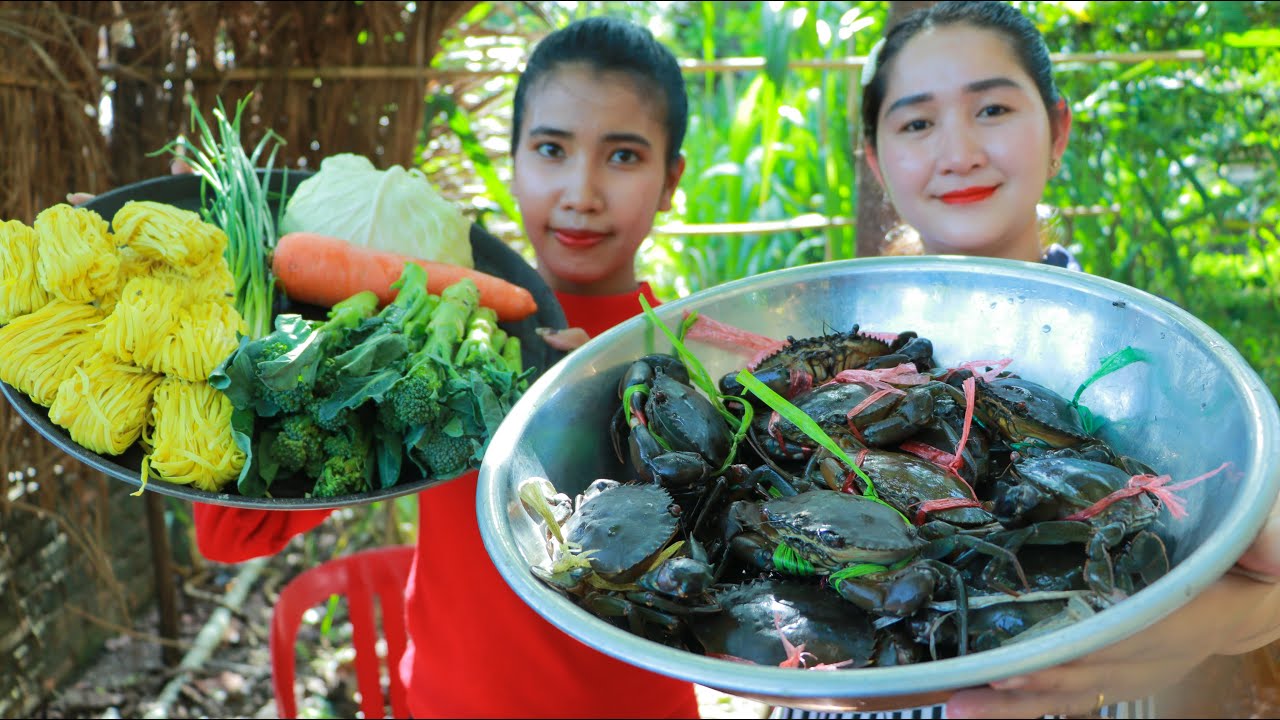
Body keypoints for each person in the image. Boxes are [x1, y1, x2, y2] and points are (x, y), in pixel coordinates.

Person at [771, 2, 1280, 719]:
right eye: (917, 123)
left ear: (1058, 131)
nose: (959, 153)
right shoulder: (825, 352)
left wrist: (1175, 633)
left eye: (993, 109)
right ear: (875, 161)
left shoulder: (1151, 368)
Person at [192, 16, 701, 718]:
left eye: (623, 157)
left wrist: (601, 402)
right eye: (552, 148)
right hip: (445, 701)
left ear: (670, 178)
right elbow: (230, 536)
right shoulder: (441, 330)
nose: (581, 190)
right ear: (515, 157)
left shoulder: (689, 361)